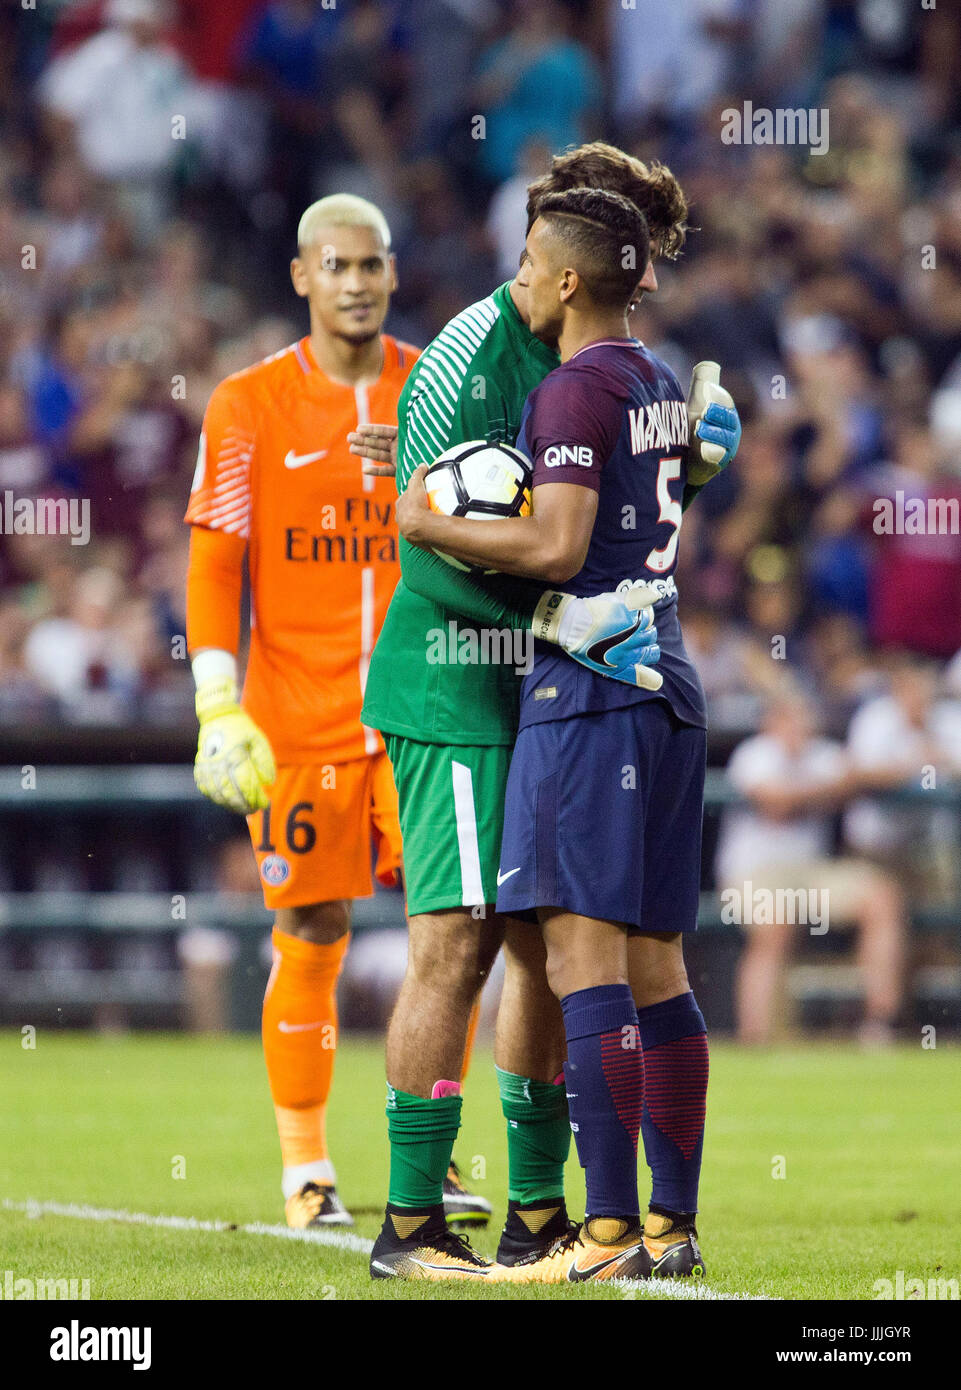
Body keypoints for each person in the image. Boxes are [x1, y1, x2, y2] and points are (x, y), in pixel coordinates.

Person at [361, 170, 739, 1281]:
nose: (514, 272)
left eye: (529, 255)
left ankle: (556, 1217)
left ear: (567, 272)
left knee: (551, 950)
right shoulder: (469, 362)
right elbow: (430, 541)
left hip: (576, 678)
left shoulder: (586, 372)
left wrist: (683, 480)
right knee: (465, 942)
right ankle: (416, 1220)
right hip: (467, 681)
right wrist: (549, 601)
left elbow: (585, 532)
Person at [184, 194, 446, 1230]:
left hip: (428, 702)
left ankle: (432, 1146)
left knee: (455, 929)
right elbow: (216, 558)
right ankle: (306, 1168)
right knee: (310, 927)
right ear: (301, 276)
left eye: (370, 264)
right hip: (297, 715)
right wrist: (215, 699)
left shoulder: (437, 386)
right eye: (334, 265)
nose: (354, 282)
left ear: (390, 273)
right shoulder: (245, 405)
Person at [716, 689, 906, 1045]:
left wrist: (853, 780)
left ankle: (880, 1025)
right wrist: (833, 789)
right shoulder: (755, 753)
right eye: (789, 719)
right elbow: (778, 805)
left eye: (803, 719)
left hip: (812, 874)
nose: (798, 727)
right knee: (775, 921)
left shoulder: (823, 754)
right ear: (770, 722)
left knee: (881, 896)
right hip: (755, 875)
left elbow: (869, 773)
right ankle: (756, 1038)